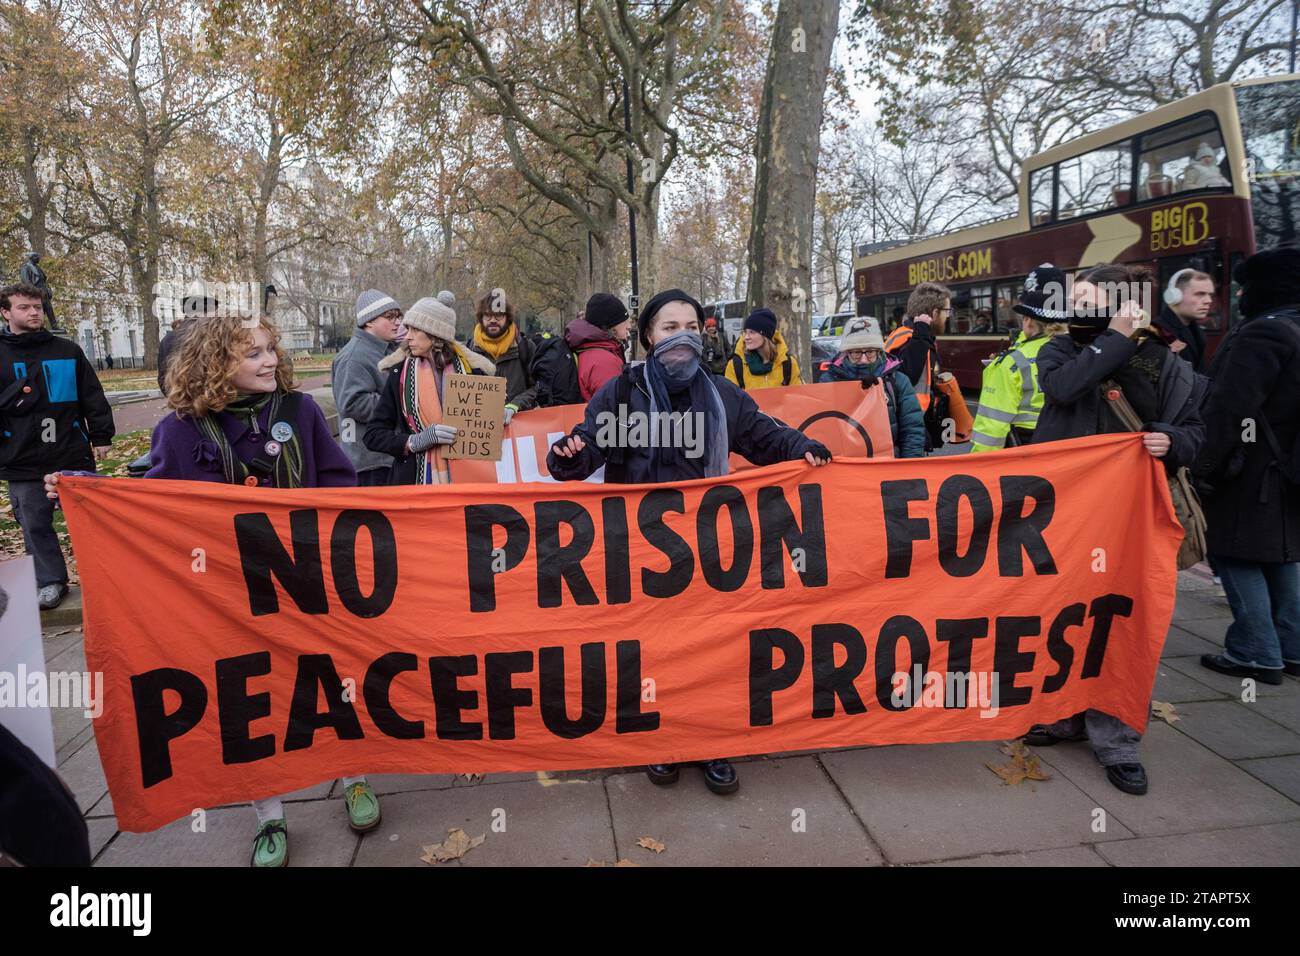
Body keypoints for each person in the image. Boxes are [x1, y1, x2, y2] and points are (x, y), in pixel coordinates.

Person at [45, 313, 371, 867]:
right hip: (226, 597)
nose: (269, 361)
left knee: (330, 682)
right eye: (252, 354)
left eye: (271, 350)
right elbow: (154, 506)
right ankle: (269, 815)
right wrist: (87, 494)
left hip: (307, 584)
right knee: (249, 700)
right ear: (215, 362)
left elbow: (339, 484)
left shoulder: (300, 410)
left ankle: (356, 779)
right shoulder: (178, 428)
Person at [547, 288, 831, 795]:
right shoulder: (623, 393)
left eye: (690, 327)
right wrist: (568, 454)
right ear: (648, 336)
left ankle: (710, 742)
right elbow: (584, 452)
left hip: (708, 549)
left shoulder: (722, 394)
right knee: (653, 650)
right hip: (640, 550)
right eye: (668, 327)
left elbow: (766, 436)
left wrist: (803, 446)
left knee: (709, 649)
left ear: (703, 334)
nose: (681, 336)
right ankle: (660, 741)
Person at [1025, 261, 1207, 796]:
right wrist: (1115, 338)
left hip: (1130, 523)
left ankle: (1116, 738)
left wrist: (1172, 442)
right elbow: (1063, 389)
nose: (1074, 308)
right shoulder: (1062, 351)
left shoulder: (1167, 361)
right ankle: (1065, 712)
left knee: (1121, 623)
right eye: (1075, 300)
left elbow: (1198, 430)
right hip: (1069, 517)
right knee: (1066, 616)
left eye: (1086, 299)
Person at [1194, 246, 1300, 684]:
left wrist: (1202, 468)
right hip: (1290, 470)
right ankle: (1292, 647)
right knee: (1281, 557)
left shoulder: (1262, 335)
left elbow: (1228, 411)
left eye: (1243, 287)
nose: (1238, 295)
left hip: (1252, 471)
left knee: (1232, 553)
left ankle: (1254, 652)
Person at [0, 282, 114, 610]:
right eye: (24, 307)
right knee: (34, 523)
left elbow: (92, 395)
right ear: (6, 312)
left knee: (90, 519)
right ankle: (51, 581)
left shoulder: (67, 350)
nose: (34, 312)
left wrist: (101, 435)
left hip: (70, 451)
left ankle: (103, 576)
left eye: (37, 306)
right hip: (20, 457)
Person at [364, 296, 495, 484]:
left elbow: (488, 432)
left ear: (436, 335)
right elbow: (373, 434)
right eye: (408, 329)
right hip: (414, 481)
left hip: (470, 479)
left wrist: (501, 414)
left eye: (415, 330)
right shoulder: (399, 374)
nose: (407, 336)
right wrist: (414, 441)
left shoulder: (472, 372)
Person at [970, 264, 1071, 452]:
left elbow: (991, 429)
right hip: (1069, 451)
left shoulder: (1013, 363)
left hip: (1025, 452)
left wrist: (979, 470)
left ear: (1029, 320)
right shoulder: (1081, 352)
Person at [818, 318, 925, 458]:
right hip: (845, 469)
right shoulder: (829, 382)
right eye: (856, 352)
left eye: (870, 352)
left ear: (879, 352)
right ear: (846, 353)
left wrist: (909, 469)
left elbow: (912, 430)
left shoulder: (897, 381)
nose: (863, 359)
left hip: (887, 466)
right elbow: (822, 429)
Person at [332, 289, 403, 485]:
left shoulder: (387, 349)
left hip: (385, 456)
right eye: (390, 317)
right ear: (369, 321)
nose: (397, 322)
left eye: (398, 316)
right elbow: (353, 403)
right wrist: (402, 402)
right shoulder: (353, 357)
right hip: (370, 462)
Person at [885, 281, 951, 450]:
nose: (948, 316)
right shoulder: (912, 339)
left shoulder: (907, 335)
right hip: (906, 429)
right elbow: (907, 376)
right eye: (947, 311)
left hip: (911, 422)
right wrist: (921, 337)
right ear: (935, 313)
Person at [468, 289, 538, 423]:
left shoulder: (526, 348)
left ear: (508, 317)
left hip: (519, 429)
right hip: (479, 430)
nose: (493, 320)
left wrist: (515, 405)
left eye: (498, 316)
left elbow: (538, 387)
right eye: (488, 315)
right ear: (480, 318)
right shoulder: (468, 351)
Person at [564, 292, 631, 400]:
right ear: (610, 326)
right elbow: (614, 408)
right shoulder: (603, 361)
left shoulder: (592, 350)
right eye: (624, 321)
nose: (629, 326)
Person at [156, 281, 220, 391]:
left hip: (180, 401)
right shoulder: (218, 335)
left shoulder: (168, 339)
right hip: (216, 401)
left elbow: (163, 380)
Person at [724, 307, 802, 389]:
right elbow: (729, 399)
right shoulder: (735, 366)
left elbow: (798, 397)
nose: (746, 337)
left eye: (752, 332)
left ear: (766, 335)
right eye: (745, 332)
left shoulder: (788, 364)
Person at [1154, 268, 1212, 371]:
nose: (1208, 301)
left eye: (1210, 295)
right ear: (1174, 296)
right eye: (1200, 294)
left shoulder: (1195, 331)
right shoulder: (1156, 333)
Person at [18, 253, 58, 331]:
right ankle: (38, 328)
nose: (38, 258)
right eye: (36, 257)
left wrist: (48, 289)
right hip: (36, 293)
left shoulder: (38, 268)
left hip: (44, 292)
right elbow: (26, 281)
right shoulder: (26, 267)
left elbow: (44, 281)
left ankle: (54, 326)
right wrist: (34, 292)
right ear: (31, 258)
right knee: (38, 311)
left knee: (49, 309)